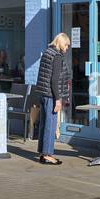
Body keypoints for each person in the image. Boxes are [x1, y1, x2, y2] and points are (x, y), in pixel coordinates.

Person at [34, 33, 72, 165]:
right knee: (50, 125)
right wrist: (58, 99)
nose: (67, 48)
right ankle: (48, 154)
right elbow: (54, 80)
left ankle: (43, 152)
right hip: (51, 95)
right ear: (61, 43)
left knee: (44, 124)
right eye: (66, 45)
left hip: (44, 94)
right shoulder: (57, 56)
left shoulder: (47, 53)